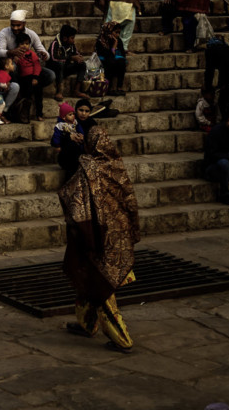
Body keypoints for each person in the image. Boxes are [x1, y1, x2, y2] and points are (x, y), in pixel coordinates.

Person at [58, 122, 140, 351]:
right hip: (117, 233)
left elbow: (76, 201)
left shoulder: (89, 168)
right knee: (86, 282)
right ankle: (87, 323)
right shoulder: (115, 165)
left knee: (101, 287)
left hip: (98, 235)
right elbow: (129, 200)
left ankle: (122, 339)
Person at [0, 10, 56, 116]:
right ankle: (19, 92)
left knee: (50, 75)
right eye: (13, 25)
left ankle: (29, 89)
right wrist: (11, 52)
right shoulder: (4, 33)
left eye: (18, 25)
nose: (15, 28)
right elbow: (0, 52)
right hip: (13, 67)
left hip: (28, 69)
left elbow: (42, 51)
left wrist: (44, 55)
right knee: (12, 66)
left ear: (24, 24)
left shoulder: (31, 34)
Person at [47, 25, 86, 97]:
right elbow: (54, 58)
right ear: (65, 38)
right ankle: (59, 91)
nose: (73, 40)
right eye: (72, 38)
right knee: (60, 64)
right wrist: (71, 58)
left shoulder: (71, 44)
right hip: (55, 70)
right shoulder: (55, 43)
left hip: (65, 69)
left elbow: (76, 53)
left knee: (82, 64)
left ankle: (77, 90)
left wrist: (79, 58)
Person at [95, 20, 128, 95]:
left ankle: (119, 87)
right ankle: (109, 88)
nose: (118, 35)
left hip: (113, 59)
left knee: (121, 62)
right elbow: (107, 54)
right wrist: (114, 46)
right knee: (110, 62)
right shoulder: (101, 41)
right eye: (116, 32)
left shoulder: (118, 40)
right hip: (104, 59)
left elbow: (122, 53)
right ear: (109, 31)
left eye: (119, 33)